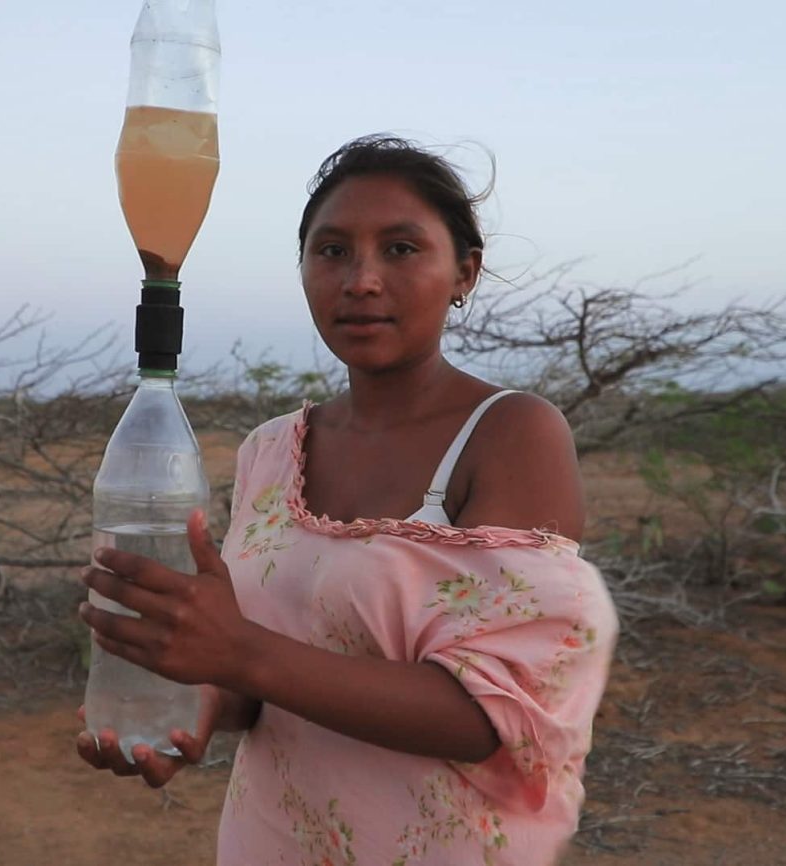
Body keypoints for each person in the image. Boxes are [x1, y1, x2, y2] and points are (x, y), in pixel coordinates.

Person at [76, 135, 618, 865]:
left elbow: (498, 714)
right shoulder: (273, 451)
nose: (361, 280)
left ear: (465, 271)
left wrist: (240, 652)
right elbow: (262, 679)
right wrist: (196, 700)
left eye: (400, 249)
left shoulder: (509, 432)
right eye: (331, 251)